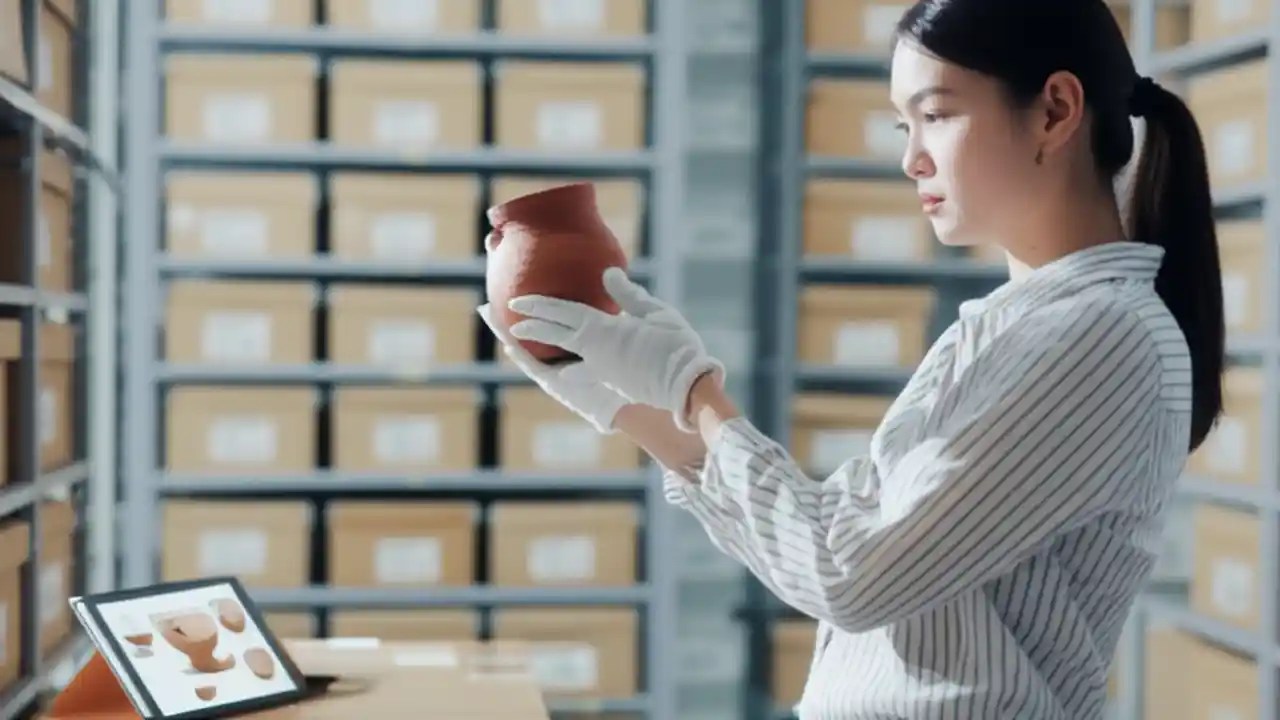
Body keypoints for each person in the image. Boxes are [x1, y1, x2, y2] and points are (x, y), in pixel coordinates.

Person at [478, 0, 1225, 717]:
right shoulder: (1018, 329)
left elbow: (852, 578)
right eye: (904, 125)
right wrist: (640, 409)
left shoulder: (1096, 335)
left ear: (1056, 110)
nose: (911, 159)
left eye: (937, 115)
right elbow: (831, 540)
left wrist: (696, 391)